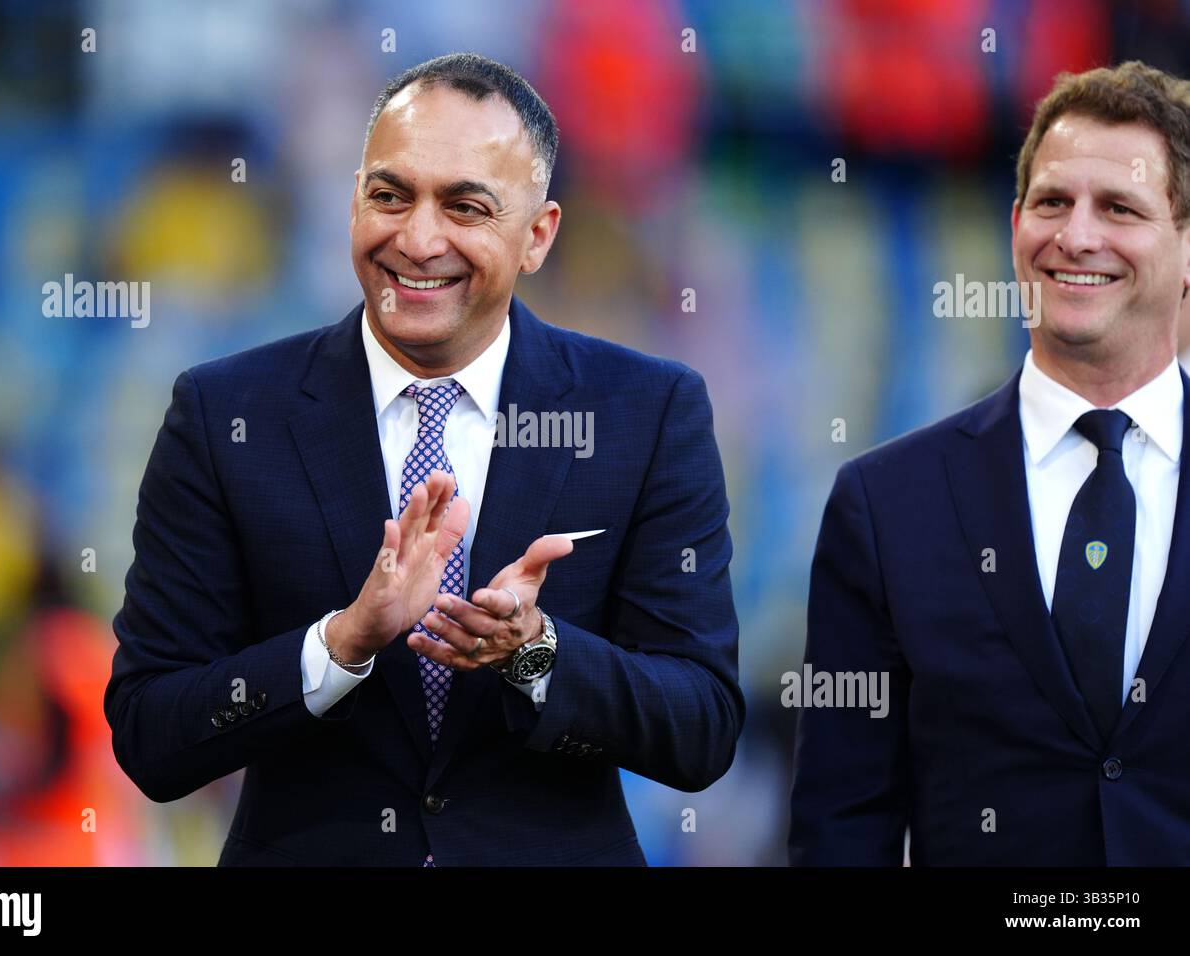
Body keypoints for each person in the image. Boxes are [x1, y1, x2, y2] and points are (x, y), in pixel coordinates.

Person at [105, 53, 743, 866]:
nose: (417, 238)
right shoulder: (225, 413)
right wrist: (337, 647)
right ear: (353, 203)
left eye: (465, 206)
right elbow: (151, 733)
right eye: (390, 196)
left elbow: (702, 728)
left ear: (537, 234)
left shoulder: (646, 413)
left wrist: (536, 650)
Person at [790, 61, 1190, 865]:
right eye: (1052, 203)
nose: (1077, 236)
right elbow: (842, 827)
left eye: (1119, 208)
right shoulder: (885, 504)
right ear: (1015, 226)